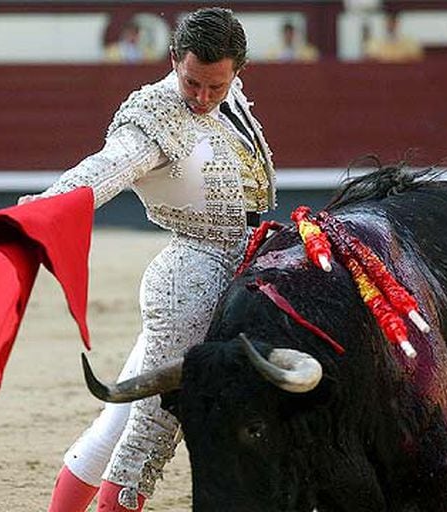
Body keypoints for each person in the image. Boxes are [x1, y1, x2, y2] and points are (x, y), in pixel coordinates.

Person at [20, 7, 276, 511]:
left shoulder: (229, 95)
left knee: (117, 424)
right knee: (151, 434)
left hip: (244, 265)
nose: (202, 98)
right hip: (192, 284)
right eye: (193, 83)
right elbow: (104, 171)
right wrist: (34, 217)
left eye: (216, 87)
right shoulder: (154, 117)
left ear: (237, 72)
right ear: (175, 59)